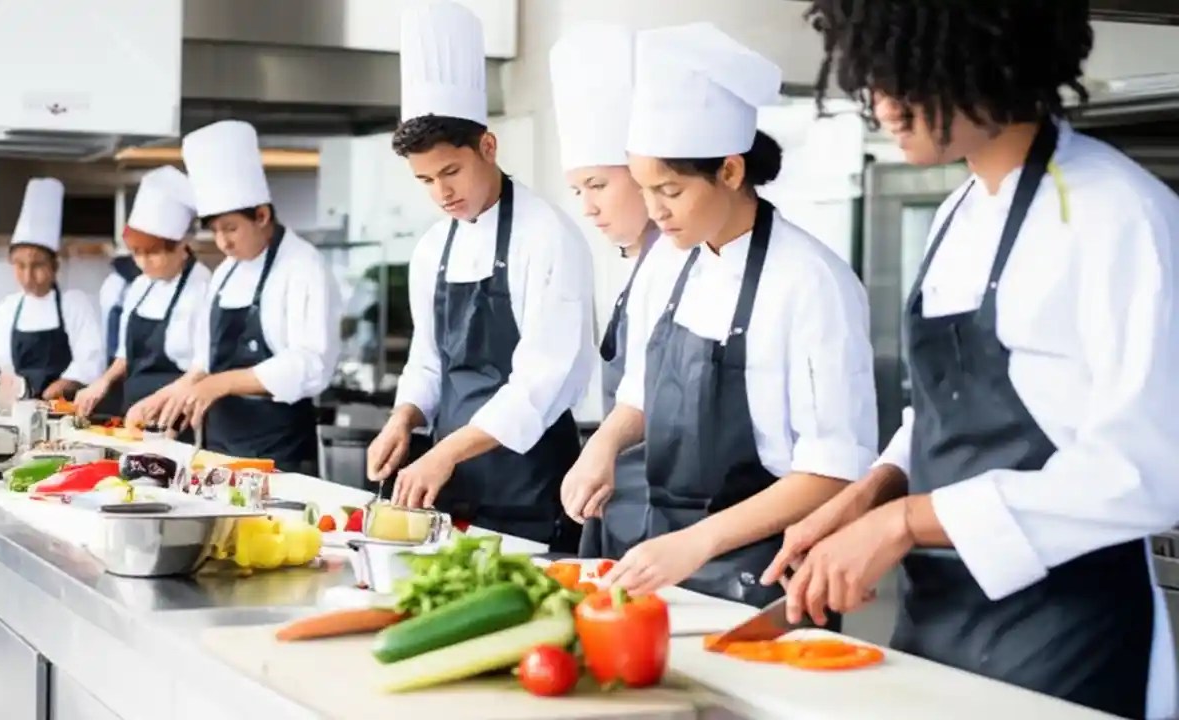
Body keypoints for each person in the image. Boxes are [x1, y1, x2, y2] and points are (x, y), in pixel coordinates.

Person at [760, 2, 1179, 717]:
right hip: (940, 620)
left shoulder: (1120, 213)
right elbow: (937, 410)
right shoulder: (957, 213)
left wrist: (902, 524)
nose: (885, 106)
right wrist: (870, 493)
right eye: (876, 79)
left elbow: (1144, 473)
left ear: (988, 59)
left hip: (1067, 637)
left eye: (908, 77)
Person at [565, 23, 877, 607]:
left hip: (759, 570)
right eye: (643, 187)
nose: (655, 210)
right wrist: (602, 446)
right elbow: (639, 393)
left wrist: (698, 542)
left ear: (731, 172)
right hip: (656, 554)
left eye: (671, 191)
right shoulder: (666, 264)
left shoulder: (813, 283)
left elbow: (834, 468)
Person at [365, 0, 596, 551]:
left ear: (487, 147)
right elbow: (428, 360)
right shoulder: (433, 248)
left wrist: (444, 452)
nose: (442, 193)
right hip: (454, 486)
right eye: (424, 180)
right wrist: (404, 419)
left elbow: (542, 382)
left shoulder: (548, 236)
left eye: (451, 171)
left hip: (530, 486)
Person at [137, 120, 342, 475]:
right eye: (215, 231)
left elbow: (312, 365)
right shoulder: (226, 271)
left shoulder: (303, 266)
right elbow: (207, 360)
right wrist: (166, 396)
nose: (223, 243)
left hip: (279, 453)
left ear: (261, 216)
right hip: (219, 447)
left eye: (231, 228)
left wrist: (223, 383)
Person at [549, 23, 658, 560]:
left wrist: (604, 443)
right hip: (621, 499)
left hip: (669, 506)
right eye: (577, 190)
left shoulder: (683, 261)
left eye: (597, 185)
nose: (586, 206)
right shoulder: (634, 261)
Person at [74, 166, 211, 423]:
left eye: (152, 252)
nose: (142, 262)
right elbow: (125, 355)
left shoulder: (202, 288)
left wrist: (157, 402)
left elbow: (202, 368)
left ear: (181, 246)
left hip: (176, 418)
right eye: (136, 252)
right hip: (135, 413)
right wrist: (101, 383)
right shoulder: (140, 286)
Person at [0, 178, 104, 401]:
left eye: (37, 265)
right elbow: (1, 365)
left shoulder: (74, 304)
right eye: (20, 266)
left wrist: (57, 390)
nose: (28, 276)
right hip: (21, 405)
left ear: (55, 265)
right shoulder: (7, 309)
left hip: (65, 409)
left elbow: (90, 361)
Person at [93, 254, 142, 417]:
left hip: (156, 390)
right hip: (118, 381)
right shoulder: (112, 284)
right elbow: (122, 350)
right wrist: (104, 380)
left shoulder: (197, 282)